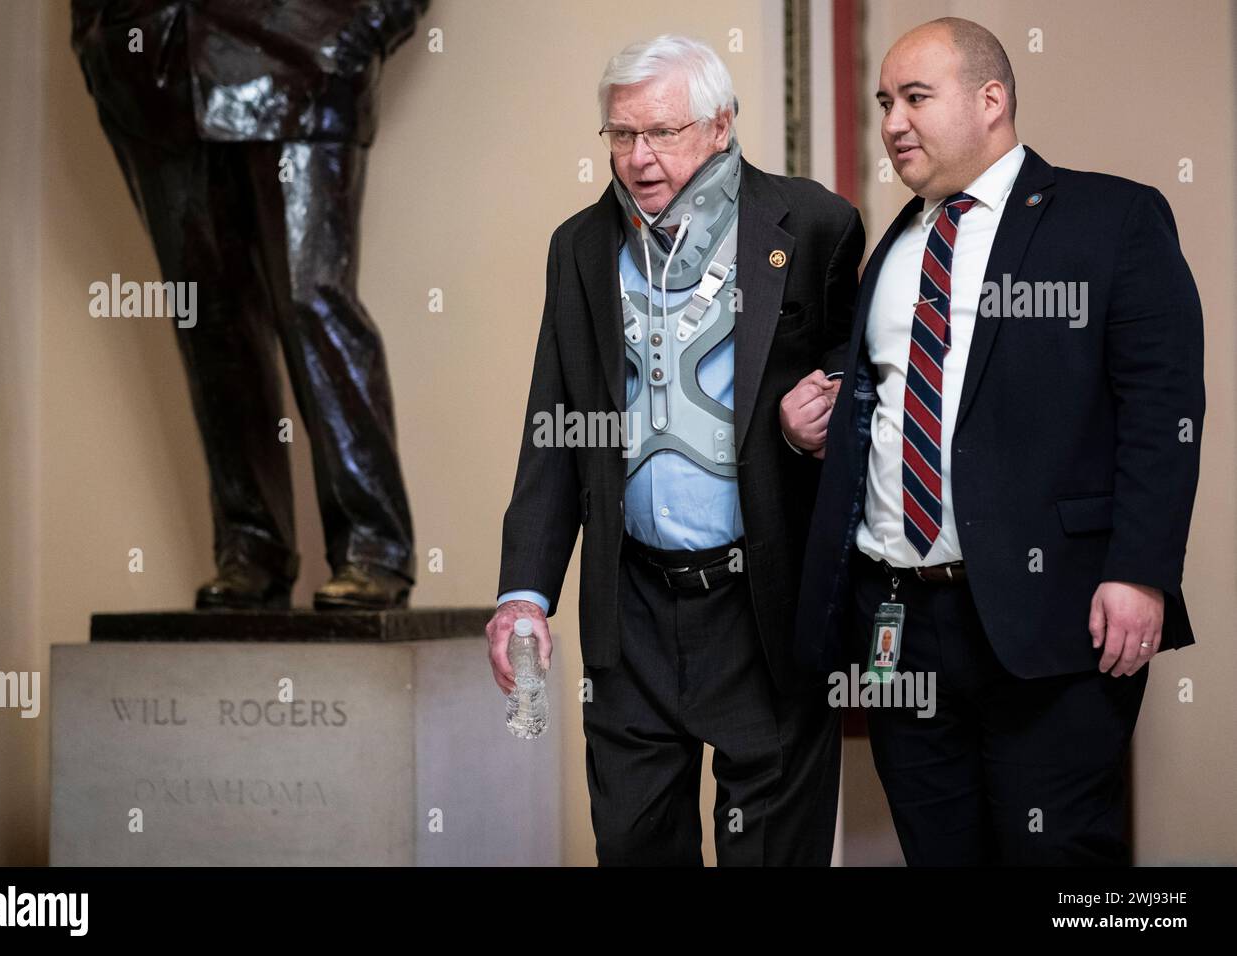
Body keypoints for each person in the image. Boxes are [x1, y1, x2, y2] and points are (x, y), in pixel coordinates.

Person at [796, 17, 1204, 865]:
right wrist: (809, 421)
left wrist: (1140, 571)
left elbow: (1163, 411)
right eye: (882, 103)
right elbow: (883, 401)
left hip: (1053, 619)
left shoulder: (1112, 218)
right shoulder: (892, 248)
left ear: (992, 100)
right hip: (896, 622)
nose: (892, 122)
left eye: (915, 97)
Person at [489, 35, 864, 865]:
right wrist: (524, 593)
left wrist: (821, 420)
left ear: (721, 125)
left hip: (764, 608)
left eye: (661, 133)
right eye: (621, 135)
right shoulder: (581, 247)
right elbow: (556, 422)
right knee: (632, 845)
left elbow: (865, 377)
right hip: (630, 615)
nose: (638, 158)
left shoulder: (814, 226)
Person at [71, 0, 429, 609]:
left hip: (302, 48)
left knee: (313, 300)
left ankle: (373, 546)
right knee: (209, 319)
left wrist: (361, 26)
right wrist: (100, 36)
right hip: (153, 68)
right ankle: (251, 546)